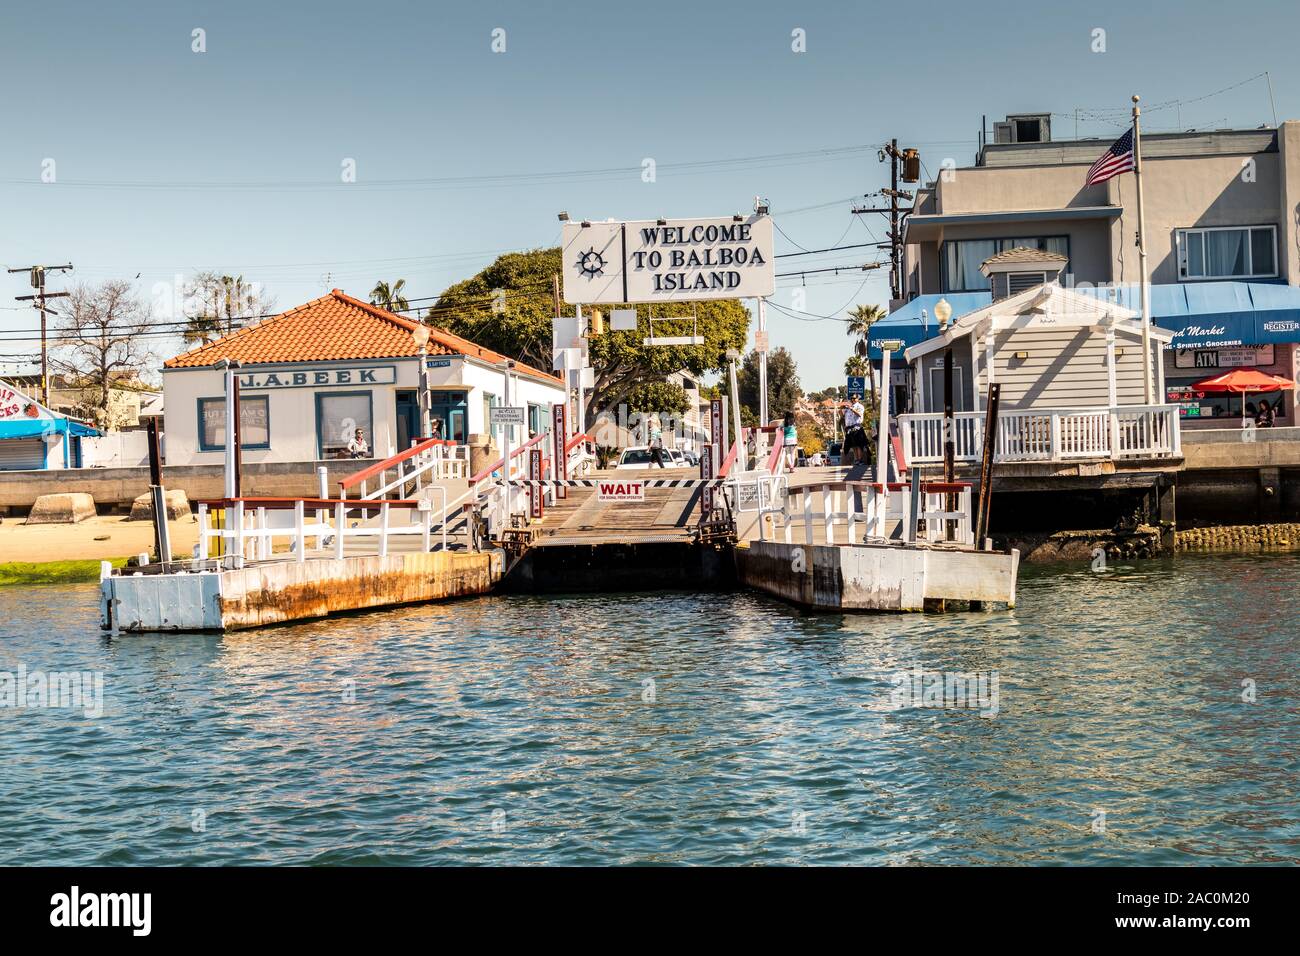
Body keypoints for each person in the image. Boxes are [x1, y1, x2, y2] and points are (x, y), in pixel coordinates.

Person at [843, 396, 867, 465]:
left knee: (859, 445)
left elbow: (859, 414)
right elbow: (846, 418)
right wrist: (842, 410)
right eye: (851, 398)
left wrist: (852, 409)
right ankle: (856, 459)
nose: (852, 400)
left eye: (854, 398)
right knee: (853, 445)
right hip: (849, 428)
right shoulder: (849, 408)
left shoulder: (860, 406)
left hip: (857, 427)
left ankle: (860, 460)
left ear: (857, 398)